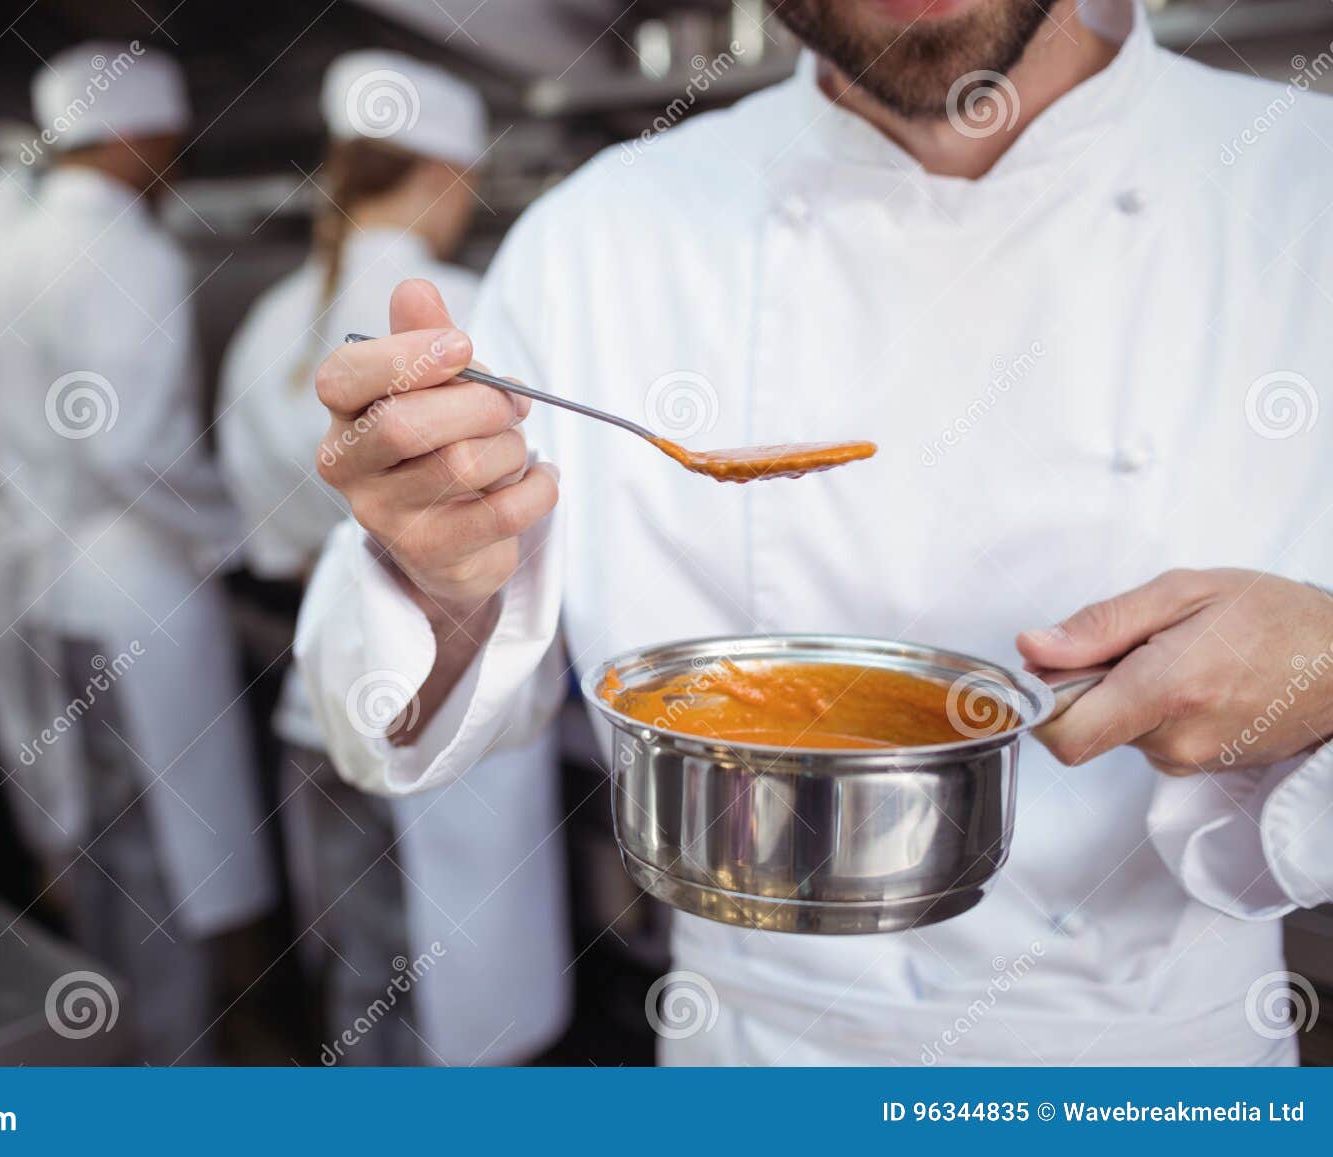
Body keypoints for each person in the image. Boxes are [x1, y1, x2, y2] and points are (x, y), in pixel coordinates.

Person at [294, 0, 1333, 1065]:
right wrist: (439, 575)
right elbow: (384, 709)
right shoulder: (598, 234)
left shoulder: (1304, 184)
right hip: (753, 1052)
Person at [0, 42, 272, 1064]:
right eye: (172, 138)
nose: (177, 156)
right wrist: (235, 523)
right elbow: (130, 444)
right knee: (159, 862)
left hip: (31, 596)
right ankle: (172, 1079)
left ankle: (117, 1060)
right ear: (137, 138)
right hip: (126, 599)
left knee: (95, 856)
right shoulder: (133, 253)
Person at [217, 50, 569, 1065]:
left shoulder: (275, 320)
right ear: (439, 177)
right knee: (451, 1010)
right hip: (455, 703)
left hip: (313, 706)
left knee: (361, 980)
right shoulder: (468, 308)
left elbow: (260, 522)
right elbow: (540, 504)